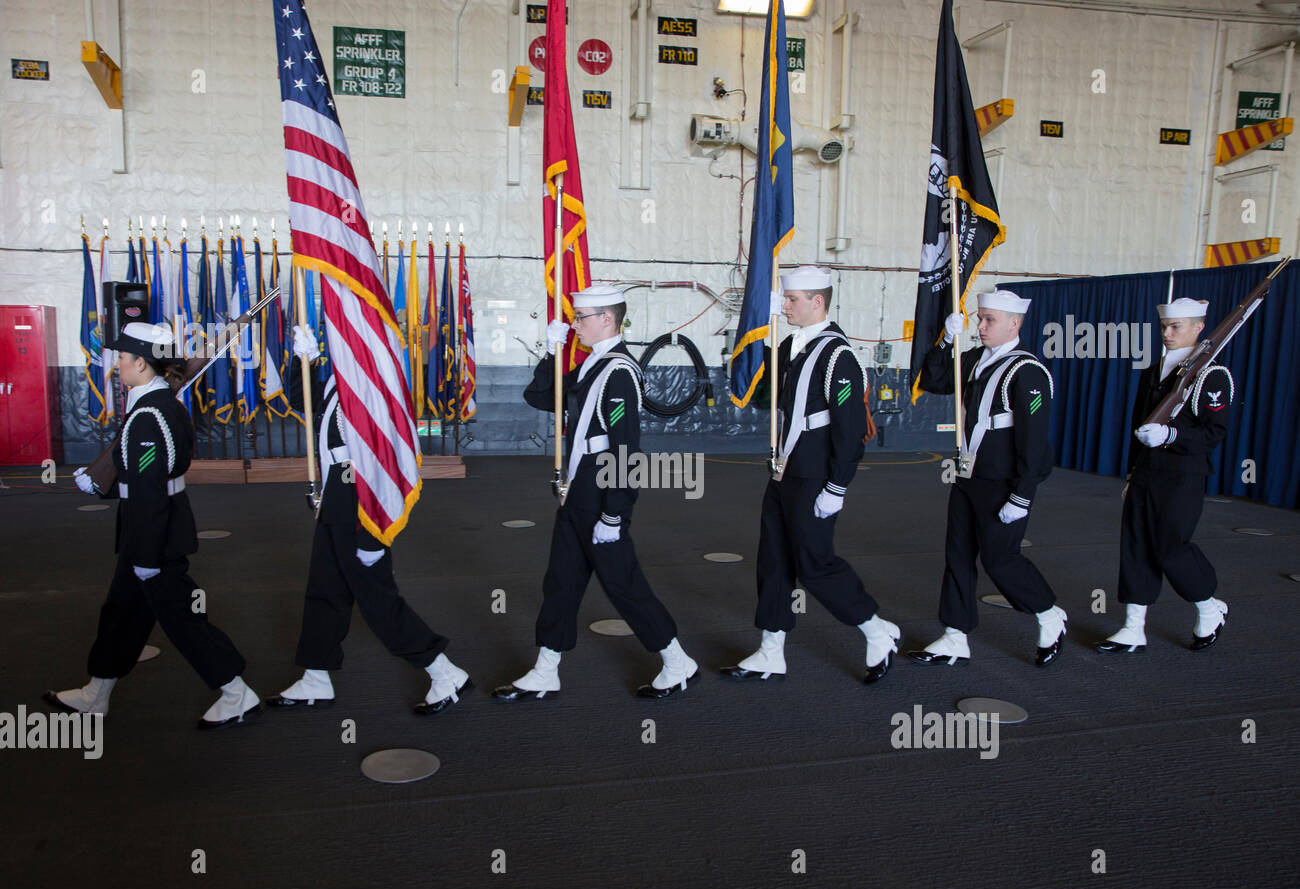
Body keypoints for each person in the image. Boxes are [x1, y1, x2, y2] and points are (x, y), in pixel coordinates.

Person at [52, 321, 261, 728]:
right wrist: (104, 483)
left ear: (143, 363)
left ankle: (236, 693)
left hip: (154, 534)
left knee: (181, 616)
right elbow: (144, 475)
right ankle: (97, 693)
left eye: (124, 358)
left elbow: (149, 488)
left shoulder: (150, 415)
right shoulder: (159, 406)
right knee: (123, 612)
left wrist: (145, 553)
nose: (118, 365)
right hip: (147, 526)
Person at [494, 286, 697, 700]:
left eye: (581, 317)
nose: (575, 324)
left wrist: (614, 515)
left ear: (608, 318)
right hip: (579, 486)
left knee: (622, 583)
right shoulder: (591, 367)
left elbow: (626, 451)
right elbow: (537, 396)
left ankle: (677, 661)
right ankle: (547, 667)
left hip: (601, 489)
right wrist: (553, 351)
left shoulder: (619, 372)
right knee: (562, 582)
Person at [269, 325, 471, 715]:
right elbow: (305, 402)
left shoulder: (375, 390)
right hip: (337, 498)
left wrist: (374, 536)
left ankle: (443, 671)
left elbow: (385, 465)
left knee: (377, 600)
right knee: (325, 589)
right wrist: (304, 363)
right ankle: (316, 675)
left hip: (361, 506)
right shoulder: (341, 380)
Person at [721, 266, 901, 685]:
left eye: (792, 300)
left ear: (817, 302)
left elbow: (850, 427)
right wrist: (760, 337)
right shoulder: (793, 346)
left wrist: (837, 486)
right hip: (785, 471)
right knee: (774, 562)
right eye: (783, 299)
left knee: (815, 564)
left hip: (816, 476)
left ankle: (876, 631)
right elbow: (766, 399)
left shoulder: (839, 356)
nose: (784, 306)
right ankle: (771, 649)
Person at [908, 290, 1067, 667]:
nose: (980, 326)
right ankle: (955, 634)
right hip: (968, 475)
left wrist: (1022, 495)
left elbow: (1033, 440)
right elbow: (934, 379)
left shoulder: (1028, 371)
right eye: (979, 317)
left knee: (1000, 559)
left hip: (1003, 482)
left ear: (1015, 323)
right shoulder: (975, 358)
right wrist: (946, 339)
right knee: (958, 557)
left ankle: (1048, 614)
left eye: (989, 320)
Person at [1095, 297, 1231, 653]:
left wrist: (1172, 435)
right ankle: (1133, 627)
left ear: (1199, 328)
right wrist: (1131, 474)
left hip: (1183, 475)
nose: (1167, 334)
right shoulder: (1153, 371)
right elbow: (1138, 430)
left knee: (1170, 547)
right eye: (1165, 327)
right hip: (1147, 474)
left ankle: (1208, 607)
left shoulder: (1212, 374)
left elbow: (1213, 433)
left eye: (1176, 327)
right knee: (1136, 546)